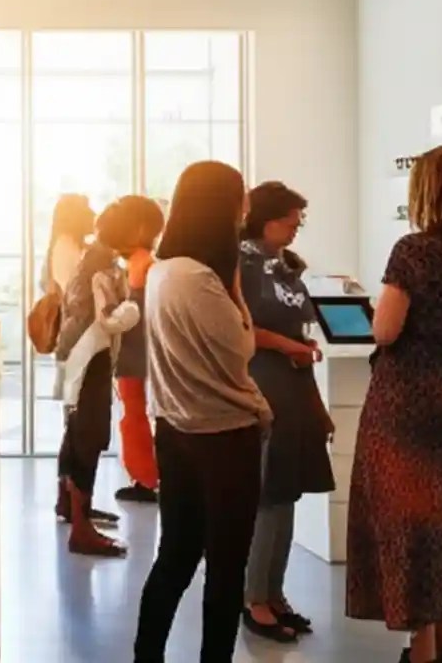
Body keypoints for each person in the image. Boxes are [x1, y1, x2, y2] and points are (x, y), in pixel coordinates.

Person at [346, 145, 442, 663]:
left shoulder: (413, 250)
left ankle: (424, 648)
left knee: (406, 525)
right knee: (437, 521)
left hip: (408, 401)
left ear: (427, 189)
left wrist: (378, 310)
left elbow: (386, 329)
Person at [134, 161, 273, 663]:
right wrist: (235, 287)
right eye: (242, 199)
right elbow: (242, 347)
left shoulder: (162, 271)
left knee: (175, 556)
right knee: (226, 568)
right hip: (223, 436)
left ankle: (145, 654)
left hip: (175, 429)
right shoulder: (201, 279)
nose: (247, 210)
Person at [238, 181, 336, 643]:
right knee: (267, 497)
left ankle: (274, 593)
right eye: (291, 217)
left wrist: (316, 403)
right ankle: (254, 596)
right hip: (262, 388)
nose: (298, 224)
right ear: (266, 216)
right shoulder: (241, 263)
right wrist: (289, 345)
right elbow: (242, 328)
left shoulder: (284, 267)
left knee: (288, 493)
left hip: (294, 389)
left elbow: (297, 328)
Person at [54, 198, 151, 556]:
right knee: (90, 438)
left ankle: (73, 511)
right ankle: (82, 528)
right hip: (92, 358)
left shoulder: (90, 257)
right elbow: (109, 317)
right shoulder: (105, 266)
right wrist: (136, 308)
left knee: (77, 434)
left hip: (78, 356)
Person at [112, 199, 165, 504]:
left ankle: (145, 478)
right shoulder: (144, 262)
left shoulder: (143, 262)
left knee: (134, 415)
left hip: (137, 351)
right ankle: (146, 476)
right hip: (141, 349)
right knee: (137, 414)